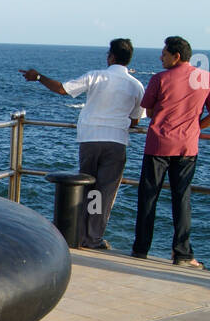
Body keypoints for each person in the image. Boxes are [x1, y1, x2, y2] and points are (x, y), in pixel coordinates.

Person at [18, 38, 144, 250]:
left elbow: (62, 89)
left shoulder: (96, 76)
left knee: (87, 187)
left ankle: (75, 233)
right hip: (116, 141)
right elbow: (136, 119)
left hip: (90, 139)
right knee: (103, 194)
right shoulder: (136, 85)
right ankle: (92, 238)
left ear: (111, 56)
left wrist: (38, 77)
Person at [131, 35, 210, 268]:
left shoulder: (159, 79)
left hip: (158, 145)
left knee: (148, 197)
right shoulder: (206, 78)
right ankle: (181, 253)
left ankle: (141, 249)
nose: (161, 57)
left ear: (176, 56)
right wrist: (195, 129)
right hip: (187, 147)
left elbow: (149, 112)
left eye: (164, 53)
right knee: (182, 199)